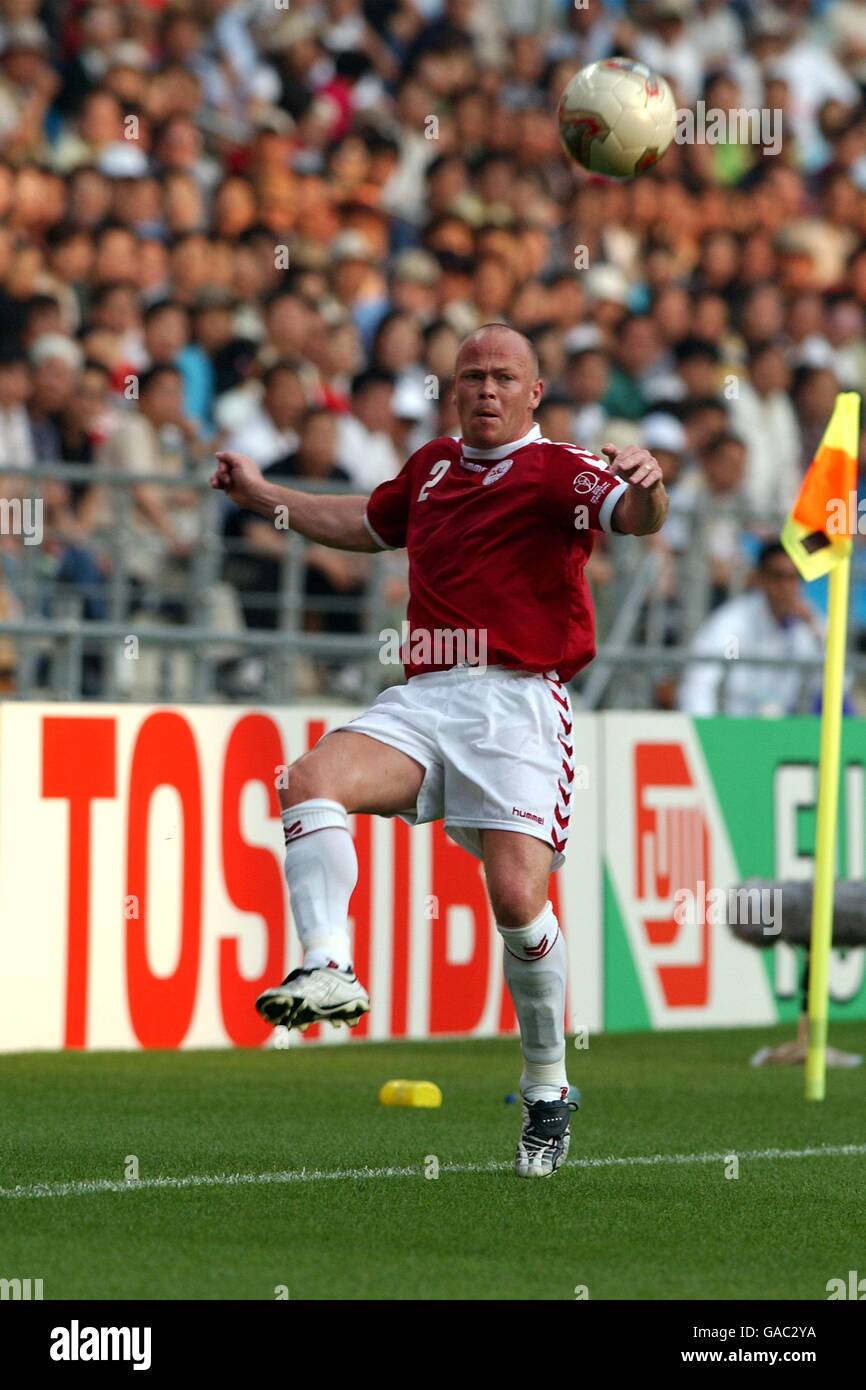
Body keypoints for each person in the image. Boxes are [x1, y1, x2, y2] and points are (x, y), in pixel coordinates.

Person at [212, 323, 668, 1179]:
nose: (487, 390)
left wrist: (648, 483)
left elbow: (633, 518)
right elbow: (363, 522)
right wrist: (263, 496)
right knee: (310, 779)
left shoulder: (561, 470)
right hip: (427, 696)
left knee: (514, 895)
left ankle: (545, 1086)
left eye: (504, 377)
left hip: (521, 702)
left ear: (535, 393)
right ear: (454, 390)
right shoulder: (429, 468)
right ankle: (327, 968)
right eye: (472, 377)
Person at [677, 542, 825, 716]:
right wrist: (708, 735)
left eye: (794, 577)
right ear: (760, 578)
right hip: (737, 728)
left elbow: (837, 684)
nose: (786, 586)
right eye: (778, 576)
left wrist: (816, 632)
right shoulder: (733, 622)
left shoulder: (808, 625)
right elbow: (698, 683)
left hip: (785, 729)